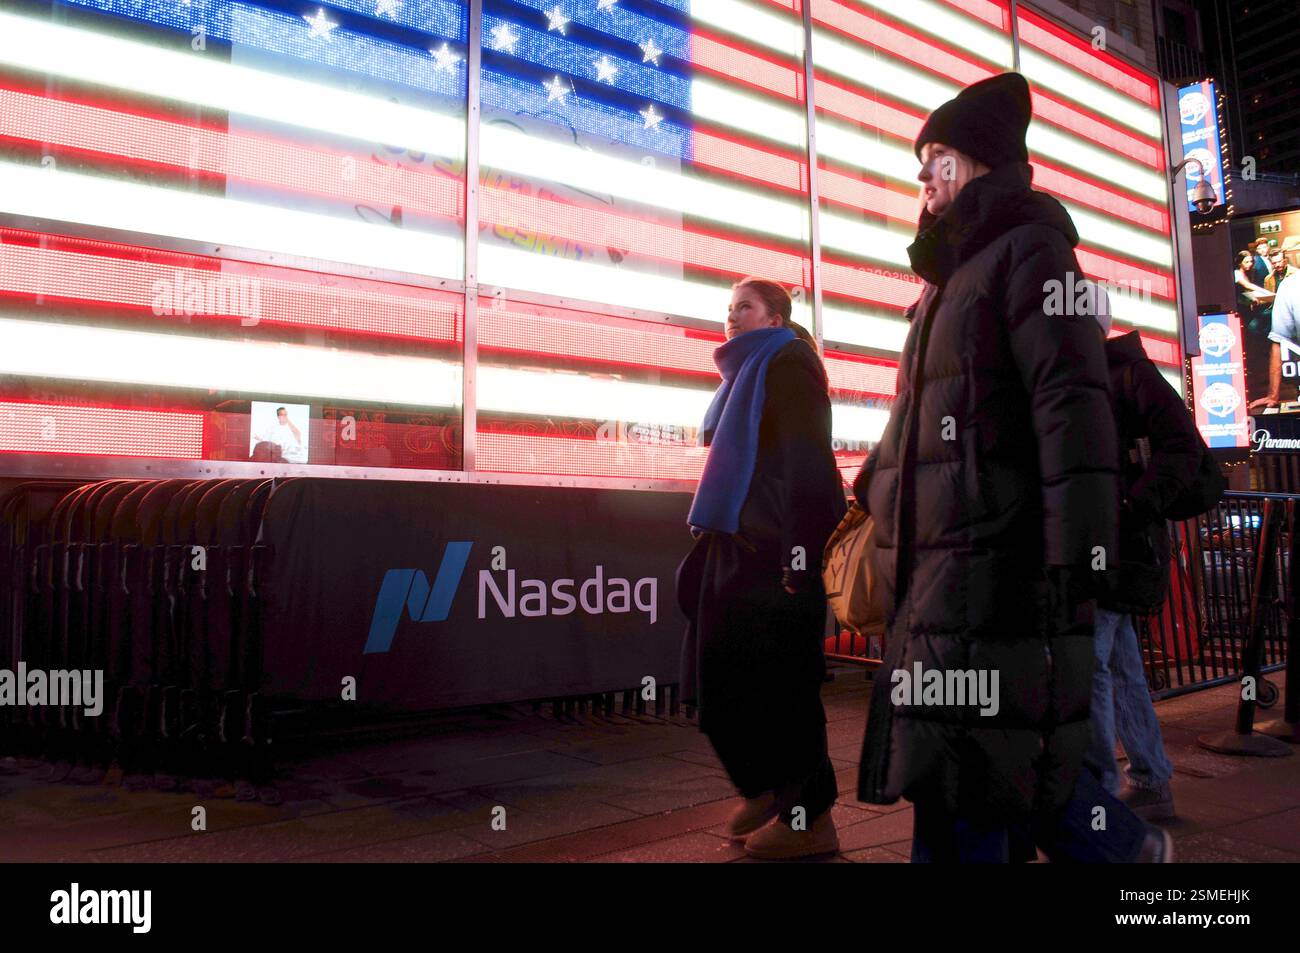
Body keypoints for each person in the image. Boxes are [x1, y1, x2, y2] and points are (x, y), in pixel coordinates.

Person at [852, 72, 1170, 862]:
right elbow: (918, 426)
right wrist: (874, 493)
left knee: (975, 771)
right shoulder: (944, 279)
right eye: (921, 161)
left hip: (999, 566)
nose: (924, 175)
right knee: (965, 769)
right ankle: (1127, 853)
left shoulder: (1031, 248)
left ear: (984, 162)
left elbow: (1073, 408)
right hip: (942, 569)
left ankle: (1128, 854)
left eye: (939, 157)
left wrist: (1081, 554)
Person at [676, 277, 846, 860]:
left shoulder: (787, 366)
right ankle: (766, 786)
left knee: (784, 686)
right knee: (720, 675)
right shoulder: (740, 378)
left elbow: (808, 467)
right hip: (736, 546)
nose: (731, 317)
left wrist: (799, 558)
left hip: (775, 553)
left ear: (775, 318)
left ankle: (808, 817)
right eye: (728, 309)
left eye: (744, 307)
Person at [1085, 285, 1192, 820]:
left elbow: (1182, 447)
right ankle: (1150, 779)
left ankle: (1099, 798)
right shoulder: (1100, 377)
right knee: (1120, 662)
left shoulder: (1125, 375)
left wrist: (1132, 502)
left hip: (1121, 542)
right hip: (1109, 541)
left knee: (1092, 664)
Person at [1249, 237, 1300, 411]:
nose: (1278, 265)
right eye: (1275, 262)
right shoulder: (1290, 286)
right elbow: (1278, 341)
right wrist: (1273, 395)